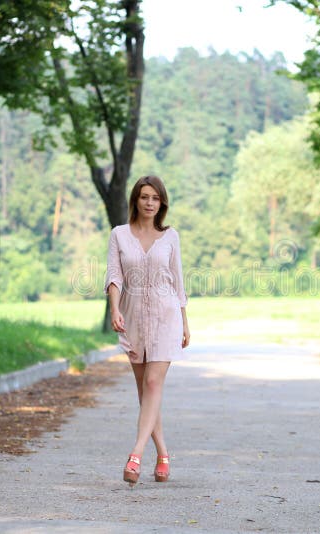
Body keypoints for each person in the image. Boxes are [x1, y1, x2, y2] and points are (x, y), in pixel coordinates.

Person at [104, 175, 190, 485]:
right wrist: (115, 309)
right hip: (133, 317)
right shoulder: (119, 235)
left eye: (155, 198)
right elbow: (114, 276)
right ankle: (164, 455)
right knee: (145, 392)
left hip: (167, 316)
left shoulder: (170, 237)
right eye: (144, 197)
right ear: (136, 201)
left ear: (161, 203)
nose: (150, 202)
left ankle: (136, 455)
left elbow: (178, 281)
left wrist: (185, 320)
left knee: (154, 383)